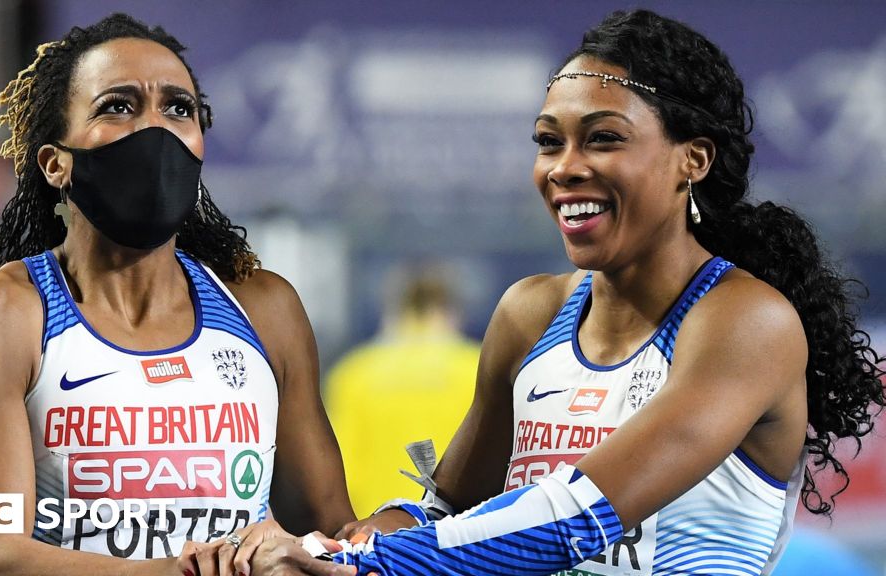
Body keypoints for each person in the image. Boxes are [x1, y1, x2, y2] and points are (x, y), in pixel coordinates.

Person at [250, 9, 886, 576]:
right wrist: (360, 537)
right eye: (548, 141)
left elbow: (578, 514)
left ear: (693, 159)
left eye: (603, 138)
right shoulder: (531, 313)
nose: (564, 167)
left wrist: (368, 563)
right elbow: (450, 508)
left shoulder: (746, 322)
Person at [0, 14, 356, 576]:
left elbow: (328, 533)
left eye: (178, 108)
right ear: (55, 164)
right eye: (118, 106)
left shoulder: (264, 308)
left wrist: (400, 525)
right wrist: (178, 571)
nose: (156, 129)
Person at [324, 265, 479, 518]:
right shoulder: (477, 368)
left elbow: (340, 469)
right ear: (454, 312)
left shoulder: (353, 374)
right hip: (455, 528)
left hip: (376, 527)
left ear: (391, 310)